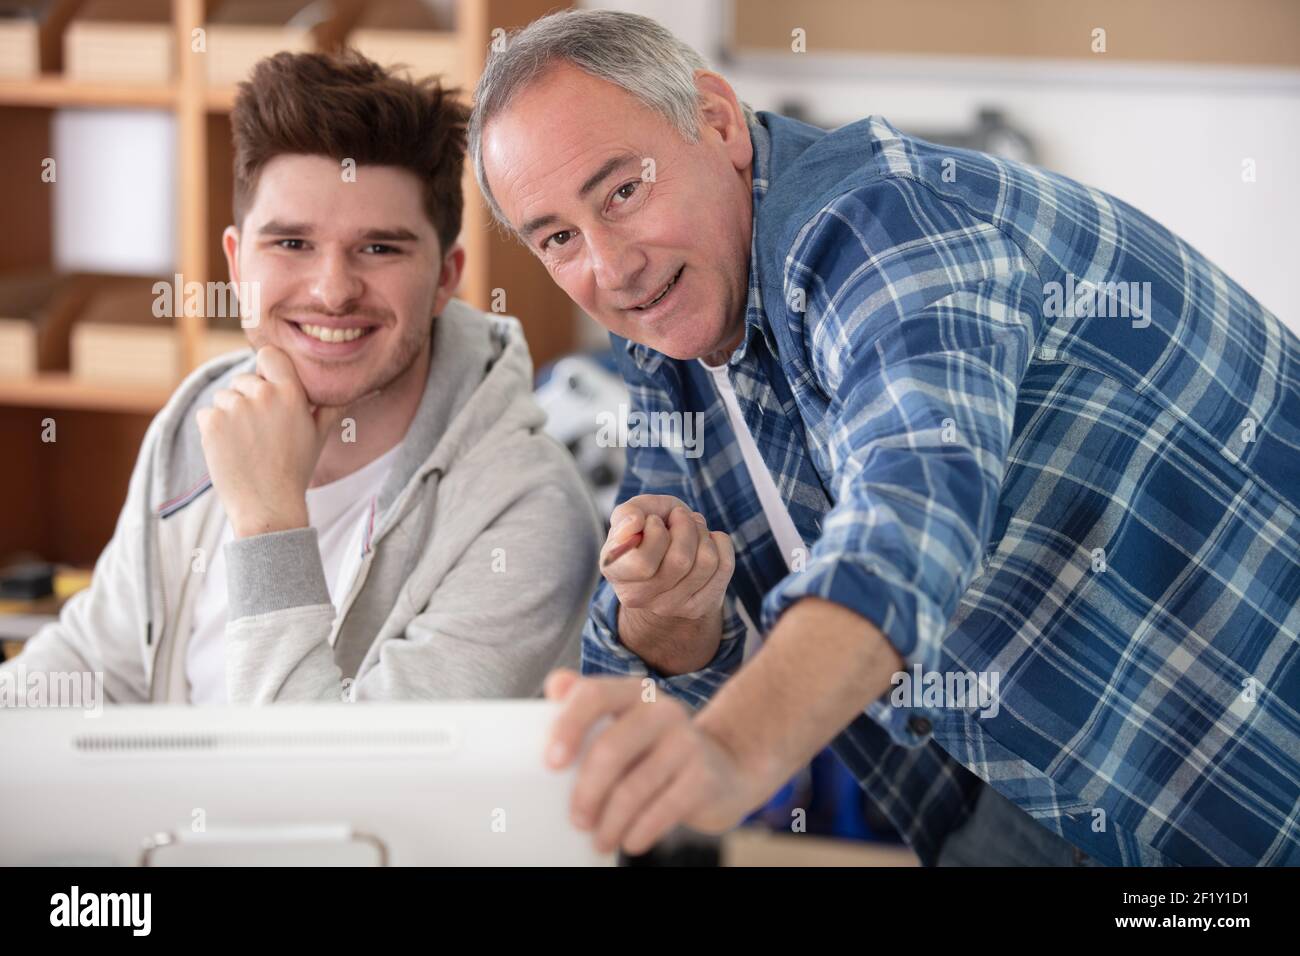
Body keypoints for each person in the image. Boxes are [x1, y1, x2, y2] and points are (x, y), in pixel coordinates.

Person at [470, 9, 1300, 866]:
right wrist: (662, 614)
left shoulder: (880, 223)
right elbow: (670, 699)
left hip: (1242, 772)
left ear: (716, 121)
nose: (610, 267)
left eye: (623, 191)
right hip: (1031, 776)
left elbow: (913, 512)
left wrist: (729, 753)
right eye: (559, 238)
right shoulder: (673, 321)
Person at [4, 50, 601, 705]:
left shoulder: (527, 514)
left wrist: (269, 526)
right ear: (237, 264)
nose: (332, 291)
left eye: (379, 248)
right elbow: (97, 662)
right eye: (291, 244)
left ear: (446, 278)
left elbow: (330, 781)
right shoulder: (202, 419)